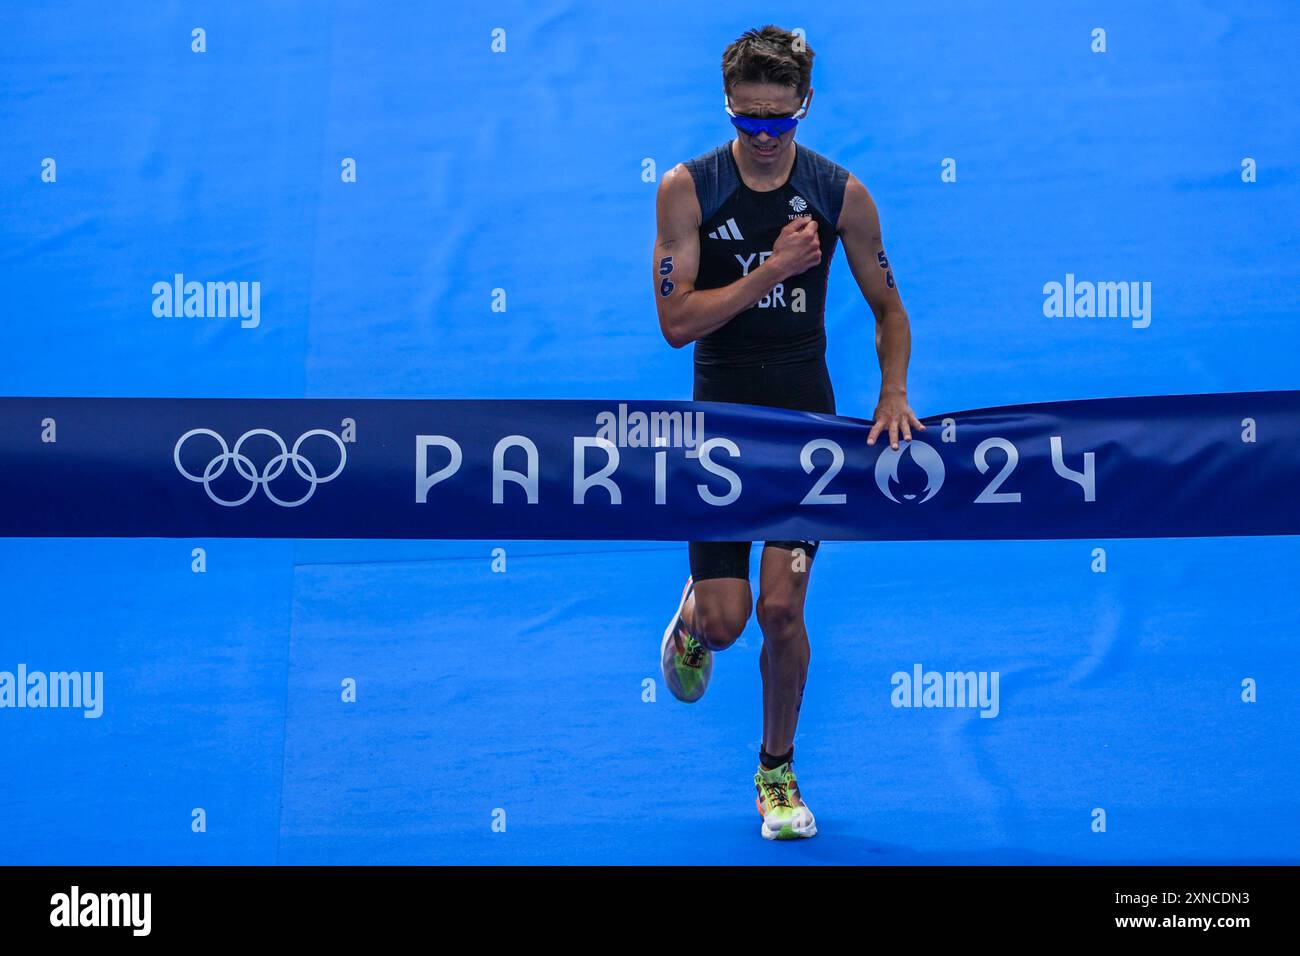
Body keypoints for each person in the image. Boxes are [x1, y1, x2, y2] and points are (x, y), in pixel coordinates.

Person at [651, 25, 924, 840]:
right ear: (729, 107)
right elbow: (675, 323)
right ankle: (694, 616)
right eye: (749, 121)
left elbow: (890, 310)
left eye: (781, 120)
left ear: (805, 105)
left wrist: (894, 392)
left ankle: (776, 771)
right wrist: (771, 270)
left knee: (780, 611)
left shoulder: (841, 194)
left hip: (806, 424)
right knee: (729, 621)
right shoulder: (686, 190)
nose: (766, 139)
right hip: (720, 427)